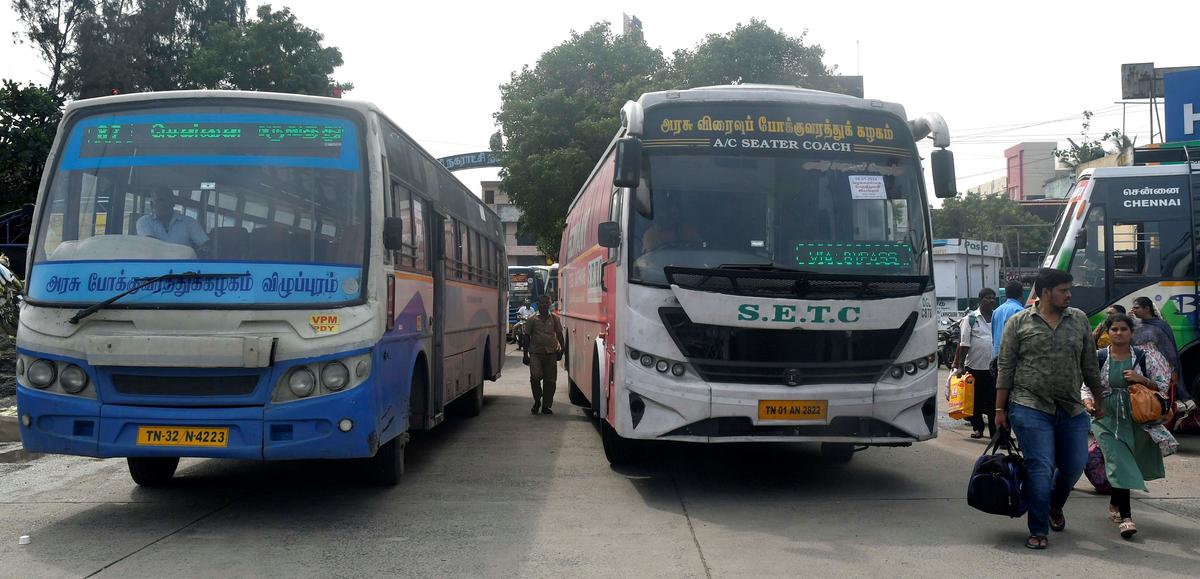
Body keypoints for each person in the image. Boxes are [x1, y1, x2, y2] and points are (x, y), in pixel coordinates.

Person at [995, 268, 1103, 550]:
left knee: (1074, 465)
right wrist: (999, 409)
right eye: (1063, 290)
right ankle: (1038, 529)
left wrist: (1099, 400)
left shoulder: (1079, 320)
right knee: (1040, 467)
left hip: (1071, 407)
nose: (1069, 295)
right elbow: (1006, 367)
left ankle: (1055, 504)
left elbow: (1090, 365)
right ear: (1045, 292)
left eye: (1069, 290)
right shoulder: (1018, 323)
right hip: (1029, 405)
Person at [1082, 313, 1177, 538]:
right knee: (1118, 462)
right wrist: (1088, 402)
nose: (1119, 333)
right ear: (1107, 332)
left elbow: (1163, 385)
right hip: (1105, 418)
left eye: (1123, 329)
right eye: (1114, 329)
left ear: (1131, 332)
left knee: (1127, 462)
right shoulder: (1098, 357)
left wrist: (1142, 379)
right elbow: (1086, 386)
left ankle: (1115, 503)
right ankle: (1126, 517)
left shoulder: (1145, 357)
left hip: (1137, 417)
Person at [1130, 296, 1196, 416]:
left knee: (1158, 395)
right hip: (1138, 365)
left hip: (1158, 368)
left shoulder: (1161, 325)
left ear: (1147, 308)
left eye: (1137, 307)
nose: (1133, 310)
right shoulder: (1135, 324)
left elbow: (1169, 351)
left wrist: (1173, 370)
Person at [953, 288, 997, 439]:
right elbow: (964, 343)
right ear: (980, 300)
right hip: (974, 367)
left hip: (993, 369)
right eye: (987, 297)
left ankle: (994, 432)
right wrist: (960, 366)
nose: (991, 300)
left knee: (992, 401)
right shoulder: (970, 319)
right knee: (975, 400)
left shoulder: (996, 317)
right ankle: (978, 428)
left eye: (993, 298)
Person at [525, 294, 565, 415]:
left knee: (550, 381)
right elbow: (526, 336)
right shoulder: (532, 319)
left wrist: (562, 349)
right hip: (535, 354)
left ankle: (546, 406)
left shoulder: (554, 319)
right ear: (538, 305)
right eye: (542, 303)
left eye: (546, 303)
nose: (544, 305)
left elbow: (559, 334)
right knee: (535, 376)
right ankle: (537, 400)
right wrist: (525, 354)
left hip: (551, 353)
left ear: (549, 305)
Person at [136, 187, 209, 252]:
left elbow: (206, 245)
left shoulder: (189, 222)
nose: (162, 205)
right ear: (151, 205)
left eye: (164, 201)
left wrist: (199, 253)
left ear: (173, 203)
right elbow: (151, 245)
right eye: (158, 201)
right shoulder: (144, 221)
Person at [990, 280, 1026, 359]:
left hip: (997, 357)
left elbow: (993, 336)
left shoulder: (996, 311)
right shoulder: (1019, 311)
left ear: (1006, 294)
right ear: (1021, 294)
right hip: (1013, 359)